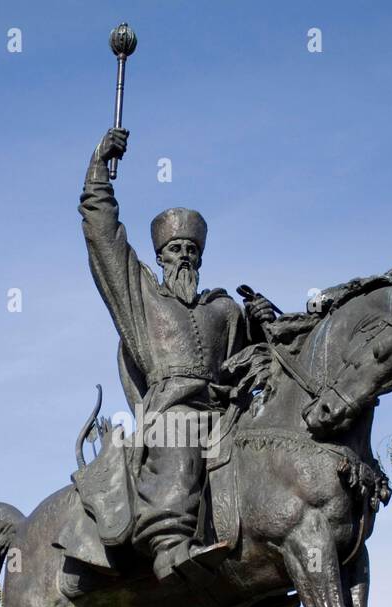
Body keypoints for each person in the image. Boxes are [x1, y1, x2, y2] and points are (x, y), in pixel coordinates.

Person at [80, 127, 275, 581]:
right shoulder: (142, 298)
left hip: (226, 408)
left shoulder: (223, 308)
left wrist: (266, 322)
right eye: (174, 250)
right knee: (181, 431)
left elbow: (256, 362)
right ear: (160, 256)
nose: (183, 256)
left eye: (191, 250)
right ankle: (169, 544)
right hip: (171, 408)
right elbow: (104, 239)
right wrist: (98, 173)